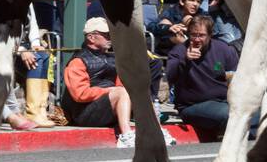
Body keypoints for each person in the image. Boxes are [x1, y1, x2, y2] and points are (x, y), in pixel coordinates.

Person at [62, 17, 145, 147]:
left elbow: (121, 86)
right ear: (91, 37)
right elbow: (80, 94)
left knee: (138, 90)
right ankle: (126, 136)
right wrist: (109, 91)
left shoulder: (113, 58)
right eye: (107, 34)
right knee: (121, 92)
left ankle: (154, 131)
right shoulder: (78, 61)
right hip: (84, 114)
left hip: (107, 108)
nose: (111, 37)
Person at [165, 15, 238, 134]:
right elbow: (170, 76)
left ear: (210, 35)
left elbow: (235, 77)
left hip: (223, 101)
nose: (197, 39)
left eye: (202, 35)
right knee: (230, 115)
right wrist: (185, 60)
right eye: (193, 35)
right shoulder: (179, 51)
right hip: (192, 106)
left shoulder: (224, 49)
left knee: (256, 113)